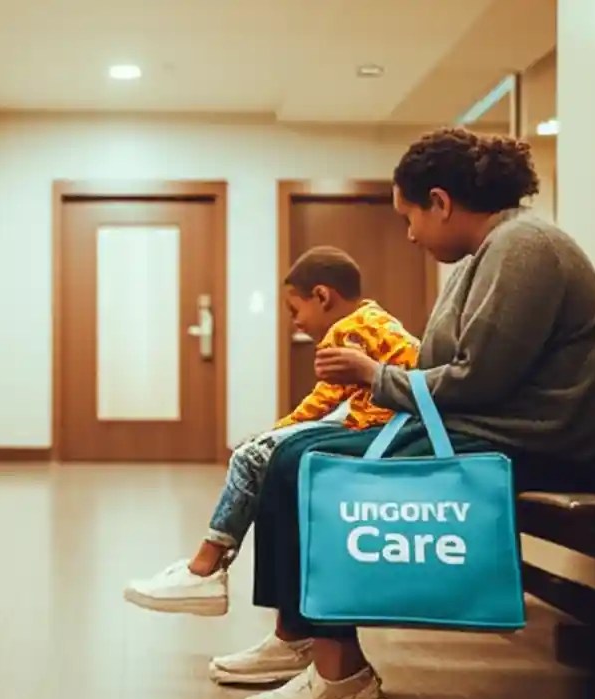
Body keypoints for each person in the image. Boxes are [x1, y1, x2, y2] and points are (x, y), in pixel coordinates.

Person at [217, 128, 595, 699]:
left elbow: (477, 378)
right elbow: (447, 369)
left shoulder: (525, 248)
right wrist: (382, 378)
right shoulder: (484, 256)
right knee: (294, 452)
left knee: (311, 467)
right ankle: (297, 640)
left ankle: (341, 677)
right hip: (496, 429)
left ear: (440, 202)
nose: (409, 234)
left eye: (410, 217)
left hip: (537, 443)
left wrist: (372, 373)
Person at [124, 247, 420, 618]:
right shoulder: (377, 319)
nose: (295, 323)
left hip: (378, 426)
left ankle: (206, 567)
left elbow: (325, 398)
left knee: (253, 453)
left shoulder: (345, 331)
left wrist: (277, 431)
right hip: (397, 421)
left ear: (323, 297)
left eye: (295, 311)